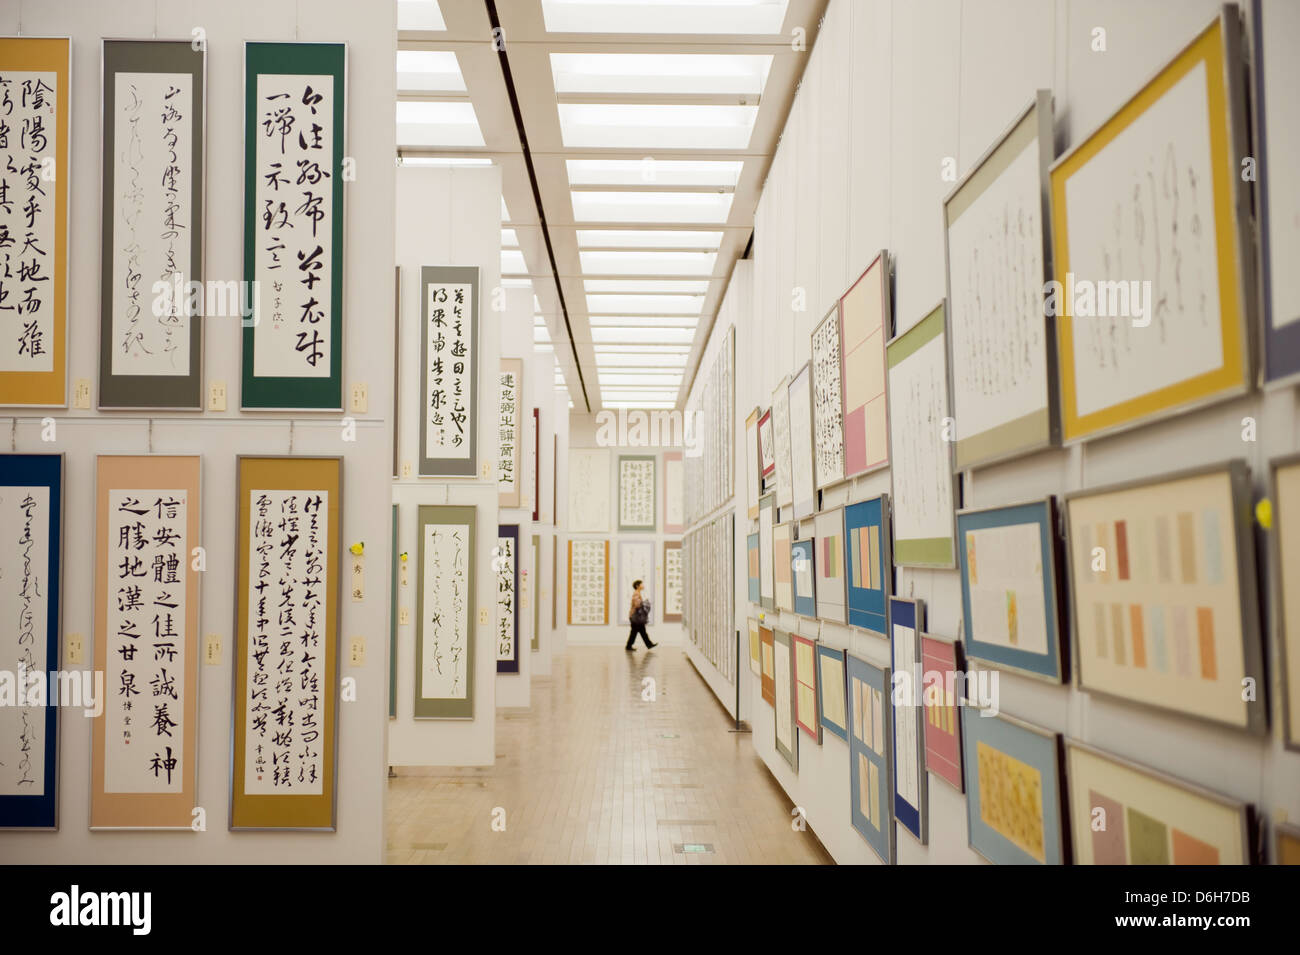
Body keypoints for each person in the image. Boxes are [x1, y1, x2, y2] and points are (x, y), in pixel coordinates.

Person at [625, 579, 656, 651]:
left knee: (640, 631)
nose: (643, 585)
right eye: (641, 584)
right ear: (637, 586)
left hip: (636, 616)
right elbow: (637, 605)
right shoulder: (636, 593)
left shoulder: (637, 593)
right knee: (637, 632)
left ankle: (648, 644)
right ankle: (629, 646)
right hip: (635, 616)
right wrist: (644, 603)